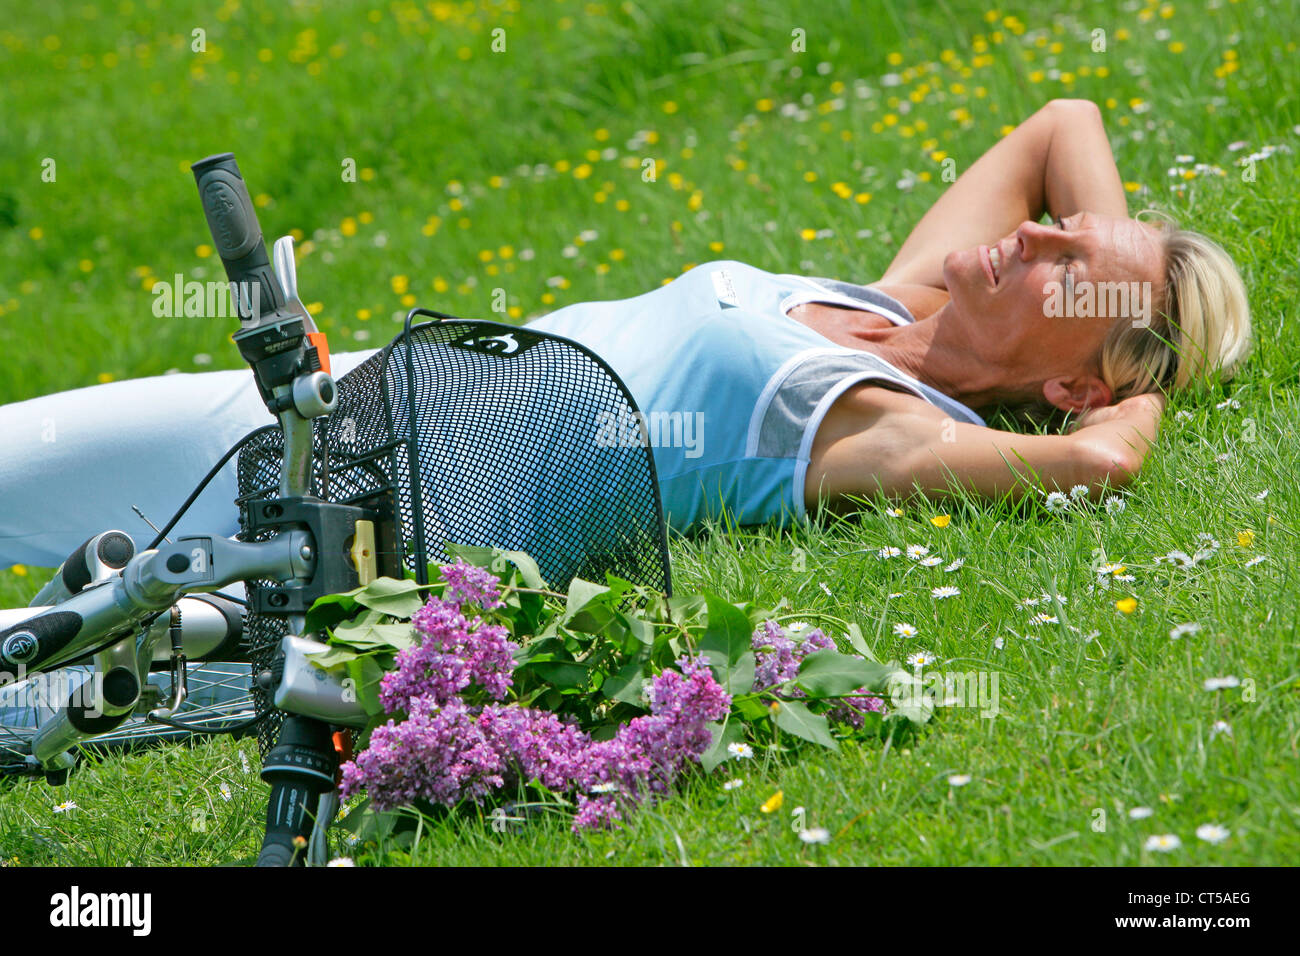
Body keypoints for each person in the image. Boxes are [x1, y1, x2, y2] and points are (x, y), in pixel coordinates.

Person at [0, 100, 1251, 567]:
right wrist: (1115, 273)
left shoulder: (868, 425)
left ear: (1075, 386)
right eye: (1057, 229)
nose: (1034, 234)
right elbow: (1061, 121)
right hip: (331, 391)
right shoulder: (892, 305)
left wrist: (1134, 385)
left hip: (341, 532)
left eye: (1065, 263)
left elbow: (1100, 462)